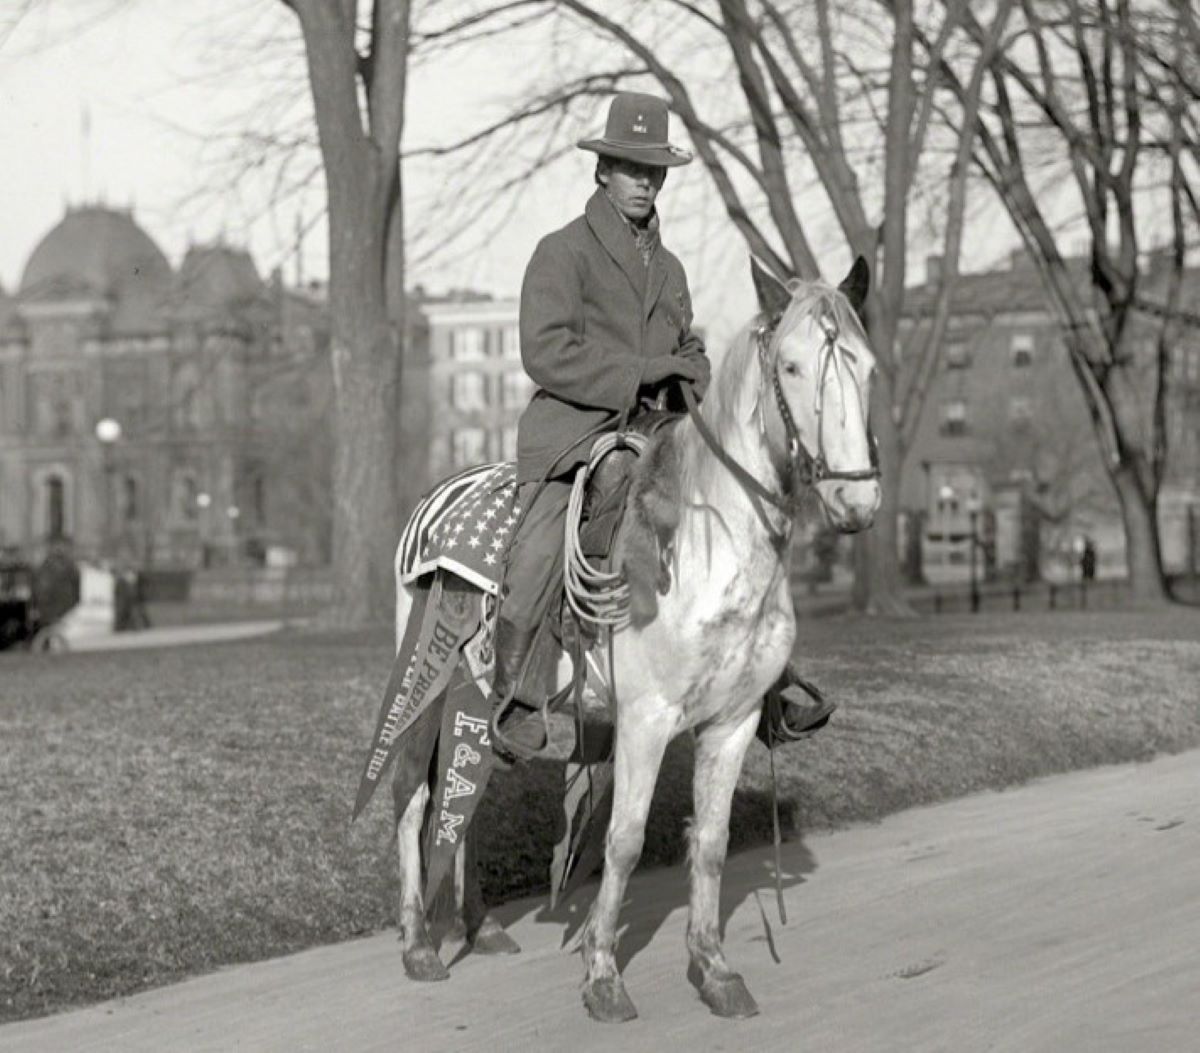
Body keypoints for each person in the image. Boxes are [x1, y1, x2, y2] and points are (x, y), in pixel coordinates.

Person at [493, 92, 833, 760]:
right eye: (630, 167)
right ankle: (516, 697)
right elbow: (546, 350)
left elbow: (689, 348)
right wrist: (647, 370)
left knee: (738, 520)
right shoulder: (561, 252)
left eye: (653, 170)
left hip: (660, 428)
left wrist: (700, 376)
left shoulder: (671, 268)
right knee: (536, 546)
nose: (643, 181)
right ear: (603, 170)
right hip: (574, 433)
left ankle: (762, 682)